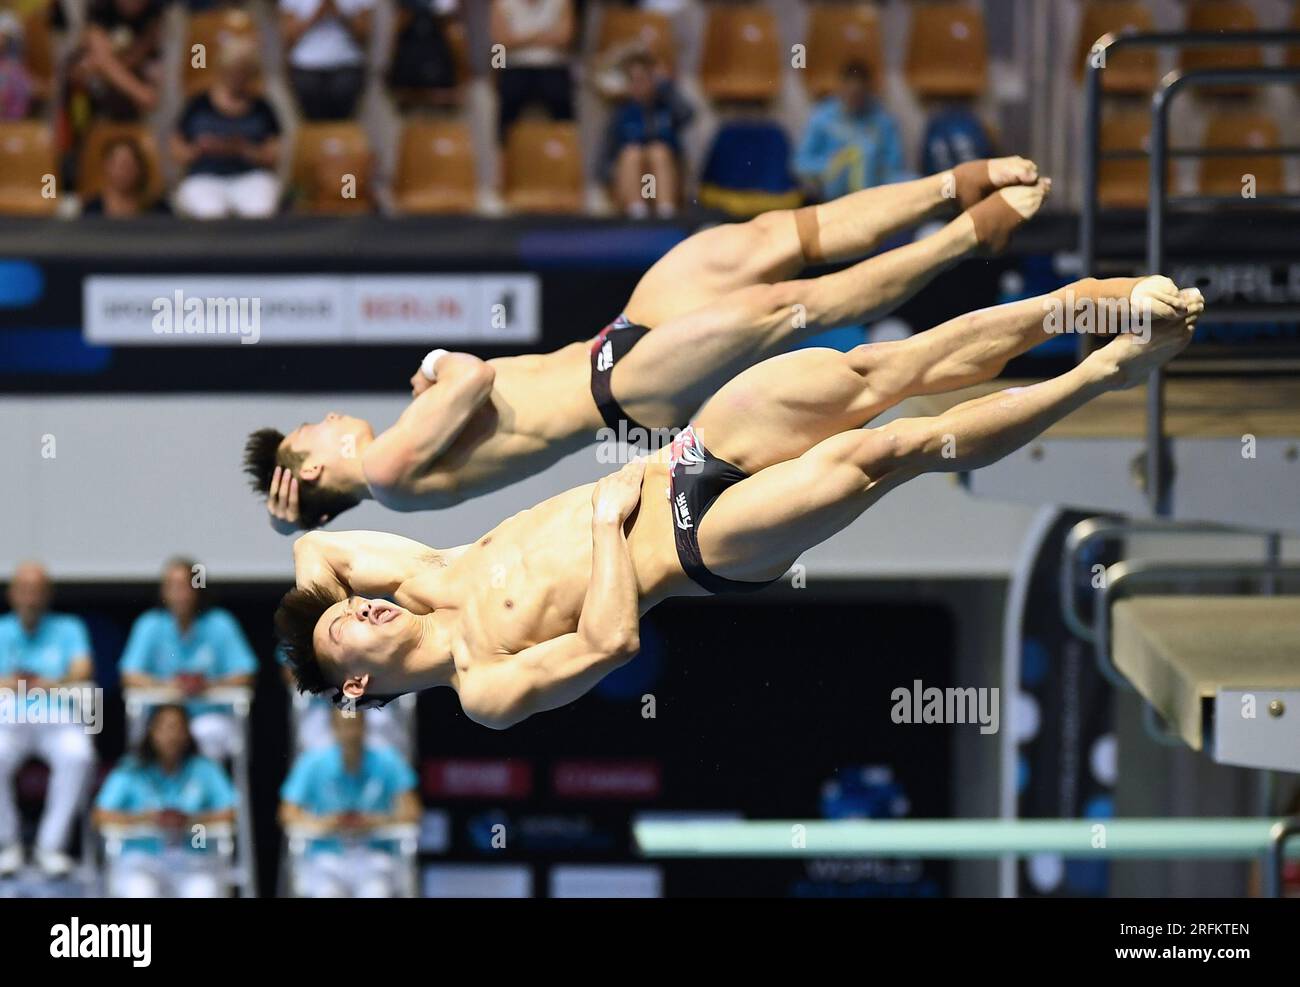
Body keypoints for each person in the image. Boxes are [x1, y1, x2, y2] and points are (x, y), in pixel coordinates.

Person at [273, 275, 1204, 726]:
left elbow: (310, 562)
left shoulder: (427, 573)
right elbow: (610, 643)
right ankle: (1104, 375)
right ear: (359, 684)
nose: (355, 607)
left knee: (878, 369)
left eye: (346, 609)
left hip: (685, 457)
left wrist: (292, 519)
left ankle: (1085, 303)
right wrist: (604, 535)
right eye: (344, 633)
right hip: (697, 541)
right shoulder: (482, 687)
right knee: (895, 446)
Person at [245, 158, 1048, 531]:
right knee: (793, 305)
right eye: (306, 432)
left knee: (781, 236)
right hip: (625, 390)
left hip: (619, 337)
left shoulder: (398, 458)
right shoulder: (385, 474)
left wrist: (295, 524)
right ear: (309, 466)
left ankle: (952, 183)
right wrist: (436, 364)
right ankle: (966, 239)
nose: (321, 415)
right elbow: (471, 376)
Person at [0, 562, 96, 878]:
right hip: (7, 715)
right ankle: (8, 845)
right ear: (12, 594)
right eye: (24, 590)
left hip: (55, 714)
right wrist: (9, 685)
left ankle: (49, 847)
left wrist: (49, 684)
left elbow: (82, 671)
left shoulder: (69, 628)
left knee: (78, 755)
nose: (30, 598)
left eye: (37, 590)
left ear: (47, 595)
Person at [119, 558, 258, 760]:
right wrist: (169, 687)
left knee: (207, 732)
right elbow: (129, 675)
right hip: (161, 718)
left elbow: (246, 674)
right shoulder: (149, 625)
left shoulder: (221, 624)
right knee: (160, 735)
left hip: (208, 715)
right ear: (163, 591)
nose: (178, 594)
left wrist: (208, 686)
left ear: (198, 588)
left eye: (184, 586)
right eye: (171, 586)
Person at [92, 704, 235, 897]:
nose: (171, 735)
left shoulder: (205, 768)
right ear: (151, 731)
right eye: (165, 727)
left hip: (193, 858)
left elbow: (230, 813)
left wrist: (191, 820)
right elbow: (100, 816)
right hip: (142, 859)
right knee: (139, 891)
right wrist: (144, 819)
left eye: (177, 728)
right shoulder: (131, 769)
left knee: (204, 891)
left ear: (187, 734)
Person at [279, 708, 419, 897]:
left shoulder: (388, 760)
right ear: (333, 728)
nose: (350, 734)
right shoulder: (312, 762)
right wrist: (323, 823)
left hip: (373, 856)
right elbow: (287, 813)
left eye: (355, 726)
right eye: (345, 727)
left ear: (364, 726)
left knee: (377, 892)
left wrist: (377, 821)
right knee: (327, 892)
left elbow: (412, 811)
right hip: (327, 856)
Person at [172, 38, 282, 219]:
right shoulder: (197, 105)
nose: (237, 77)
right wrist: (200, 149)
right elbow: (178, 153)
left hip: (250, 177)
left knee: (260, 210)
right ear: (222, 71)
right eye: (232, 71)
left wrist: (244, 150)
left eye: (243, 72)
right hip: (205, 176)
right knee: (210, 212)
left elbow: (273, 156)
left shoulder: (263, 108)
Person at [795, 60, 908, 203]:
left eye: (859, 94)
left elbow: (895, 165)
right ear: (840, 88)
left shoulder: (883, 121)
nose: (853, 98)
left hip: (875, 192)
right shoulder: (822, 118)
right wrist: (834, 164)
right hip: (833, 194)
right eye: (849, 92)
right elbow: (800, 164)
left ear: (868, 91)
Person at [601, 49, 693, 218]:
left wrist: (666, 86)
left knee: (657, 152)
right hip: (634, 183)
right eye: (634, 81)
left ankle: (665, 212)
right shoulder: (621, 112)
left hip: (658, 181)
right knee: (632, 153)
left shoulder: (666, 105)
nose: (639, 86)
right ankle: (638, 212)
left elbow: (688, 114)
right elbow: (605, 158)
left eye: (644, 79)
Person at [491, 0, 575, 140]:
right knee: (509, 95)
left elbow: (564, 38)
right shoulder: (501, 3)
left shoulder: (561, 2)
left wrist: (520, 39)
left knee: (559, 95)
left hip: (552, 66)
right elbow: (499, 43)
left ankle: (566, 145)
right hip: (515, 66)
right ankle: (504, 148)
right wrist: (542, 36)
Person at [280, 0, 375, 120]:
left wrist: (338, 12)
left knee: (342, 123)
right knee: (313, 124)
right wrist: (318, 12)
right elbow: (288, 35)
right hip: (305, 66)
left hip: (346, 65)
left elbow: (364, 34)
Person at [81, 135, 167, 216]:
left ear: (140, 169)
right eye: (119, 165)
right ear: (106, 166)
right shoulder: (92, 209)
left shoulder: (157, 208)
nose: (123, 172)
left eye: (129, 165)